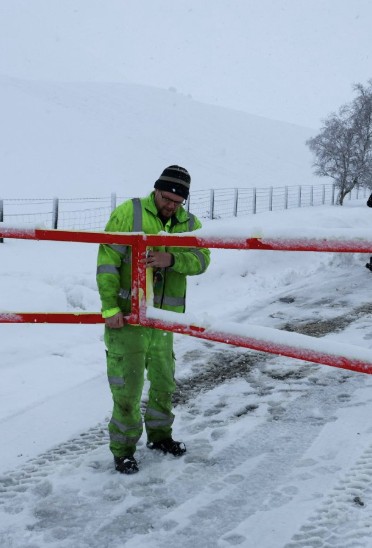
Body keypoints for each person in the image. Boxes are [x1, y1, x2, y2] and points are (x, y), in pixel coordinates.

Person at [96, 165, 211, 475]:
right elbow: (107, 262)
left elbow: (202, 260)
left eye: (177, 201)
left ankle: (160, 437)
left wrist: (170, 259)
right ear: (156, 190)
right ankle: (123, 451)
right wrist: (110, 308)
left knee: (164, 383)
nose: (170, 206)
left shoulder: (190, 223)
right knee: (127, 388)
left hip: (163, 321)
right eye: (166, 198)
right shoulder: (129, 213)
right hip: (128, 320)